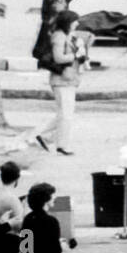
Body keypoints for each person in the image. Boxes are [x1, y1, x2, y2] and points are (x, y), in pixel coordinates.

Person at [44, 9, 86, 155]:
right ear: (68, 22)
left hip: (69, 79)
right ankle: (62, 145)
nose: (77, 23)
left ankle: (44, 136)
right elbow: (58, 58)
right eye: (75, 21)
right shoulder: (59, 36)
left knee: (64, 114)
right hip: (61, 79)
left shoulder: (69, 36)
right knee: (66, 115)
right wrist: (74, 55)